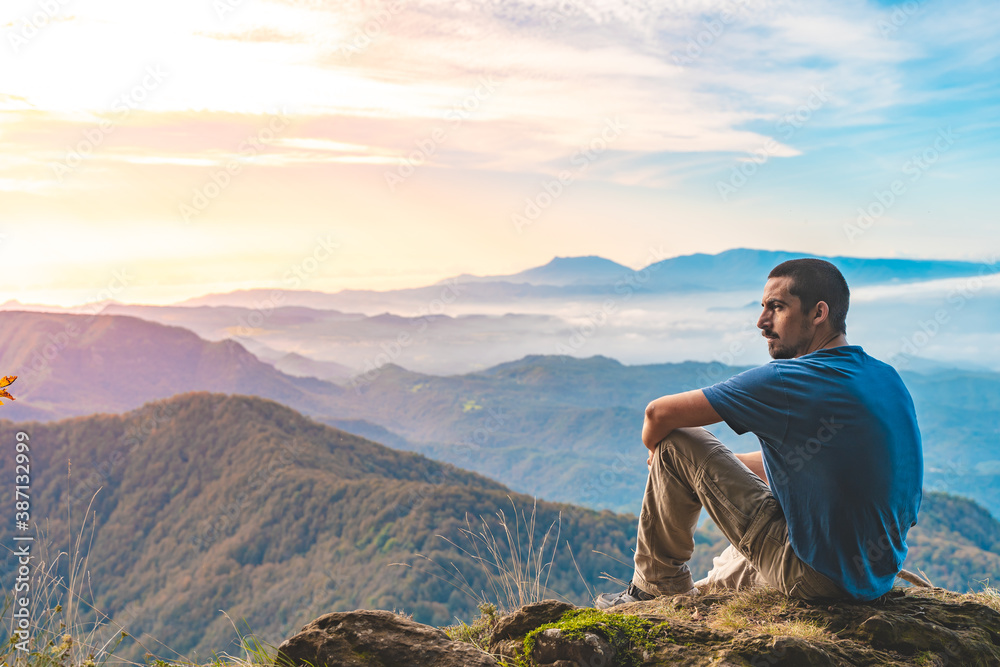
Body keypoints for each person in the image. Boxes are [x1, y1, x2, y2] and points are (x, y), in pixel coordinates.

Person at [595, 258, 923, 607]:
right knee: (719, 578)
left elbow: (658, 414)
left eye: (777, 308)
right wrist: (711, 468)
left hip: (813, 576)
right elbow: (808, 465)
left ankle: (654, 589)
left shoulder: (787, 380)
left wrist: (660, 455)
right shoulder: (885, 377)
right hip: (872, 575)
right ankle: (691, 600)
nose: (762, 322)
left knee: (677, 441)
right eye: (763, 308)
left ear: (818, 313)